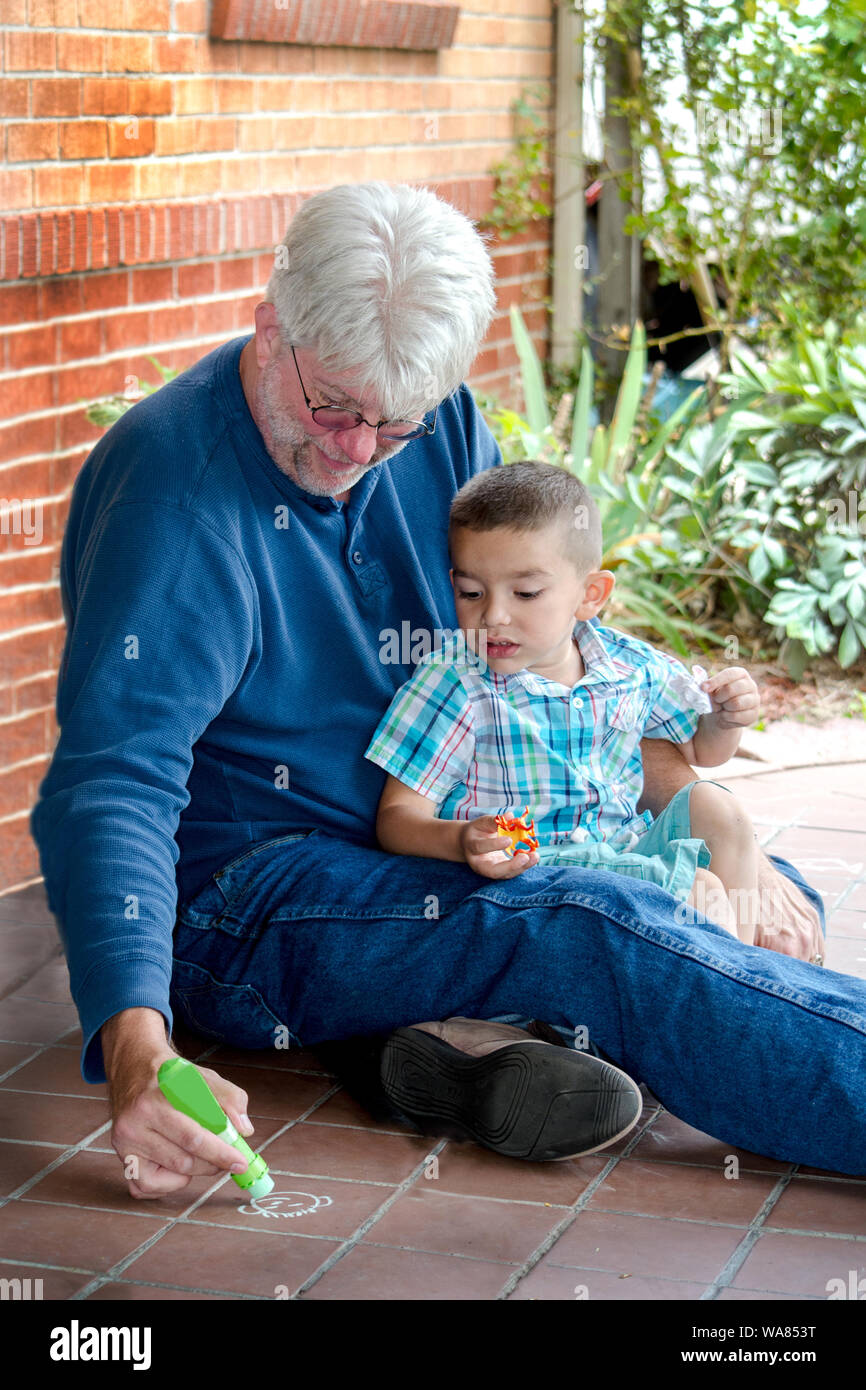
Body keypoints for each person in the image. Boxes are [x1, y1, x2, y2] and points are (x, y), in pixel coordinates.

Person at [30, 183, 864, 1195]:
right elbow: (114, 783)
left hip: (435, 844)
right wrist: (136, 1049)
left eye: (394, 428)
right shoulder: (175, 500)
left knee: (725, 899)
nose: (355, 450)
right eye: (331, 407)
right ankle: (470, 1013)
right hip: (249, 897)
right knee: (601, 923)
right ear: (269, 325)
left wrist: (709, 811)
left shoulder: (437, 419)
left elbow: (549, 661)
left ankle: (430, 1042)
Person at [367, 460, 767, 946]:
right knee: (699, 891)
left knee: (718, 808)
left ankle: (750, 978)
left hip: (619, 856)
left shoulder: (631, 666)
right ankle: (729, 997)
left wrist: (725, 721)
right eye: (471, 592)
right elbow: (396, 820)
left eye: (526, 592)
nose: (493, 614)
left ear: (590, 595)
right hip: (525, 879)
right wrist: (461, 839)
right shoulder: (455, 682)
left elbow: (703, 753)